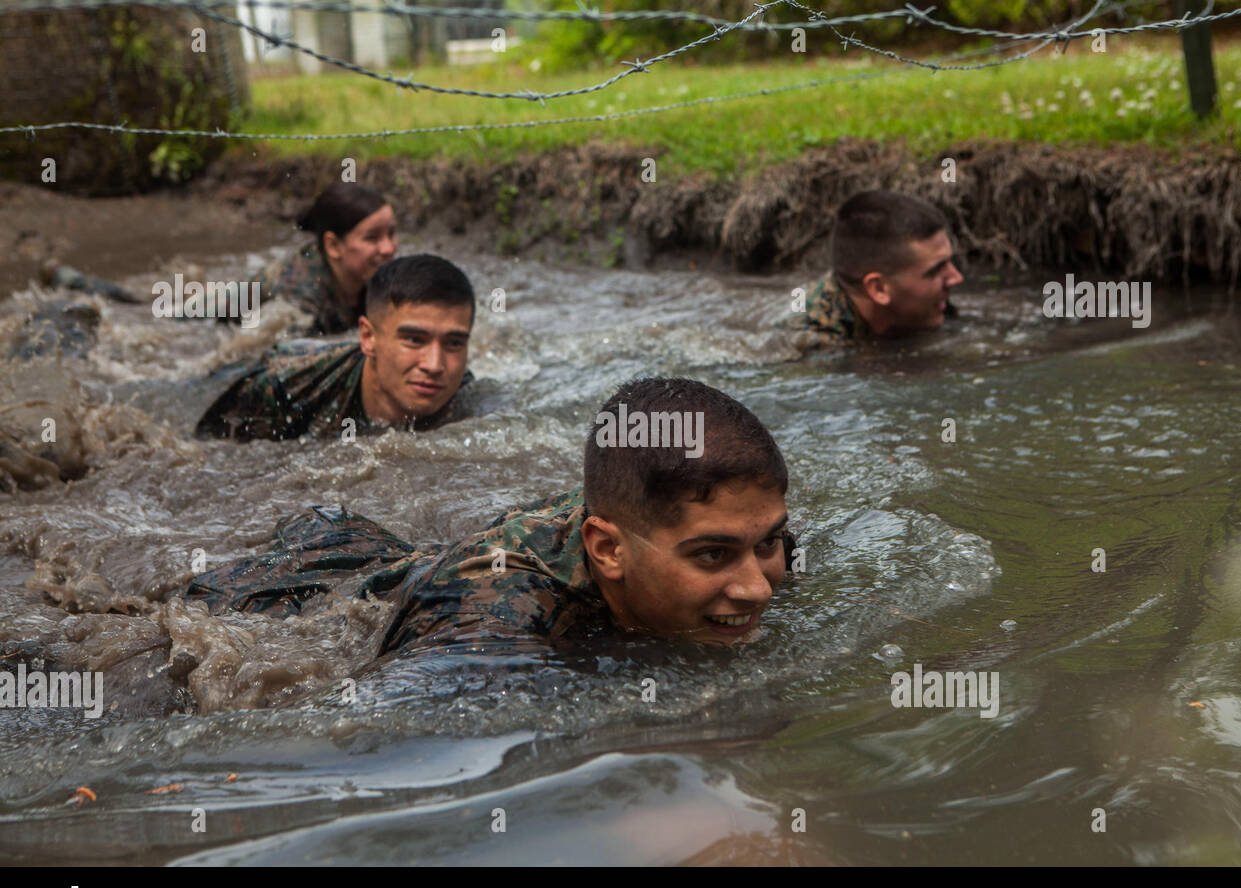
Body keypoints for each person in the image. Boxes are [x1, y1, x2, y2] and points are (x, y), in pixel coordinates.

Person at [188, 377, 799, 657]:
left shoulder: (758, 548)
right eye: (713, 555)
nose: (756, 588)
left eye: (767, 543)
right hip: (299, 589)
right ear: (609, 551)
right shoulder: (492, 621)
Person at [195, 253, 475, 441]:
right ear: (368, 337)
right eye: (414, 340)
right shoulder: (285, 387)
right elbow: (206, 450)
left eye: (453, 343)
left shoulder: (468, 401)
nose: (435, 365)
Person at [790, 190, 964, 351]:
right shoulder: (810, 343)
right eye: (935, 271)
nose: (956, 278)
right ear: (879, 288)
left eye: (950, 262)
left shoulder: (926, 300)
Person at [249, 183, 398, 334]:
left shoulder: (373, 276)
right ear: (333, 245)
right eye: (372, 238)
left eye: (391, 234)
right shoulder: (299, 295)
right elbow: (282, 352)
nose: (389, 248)